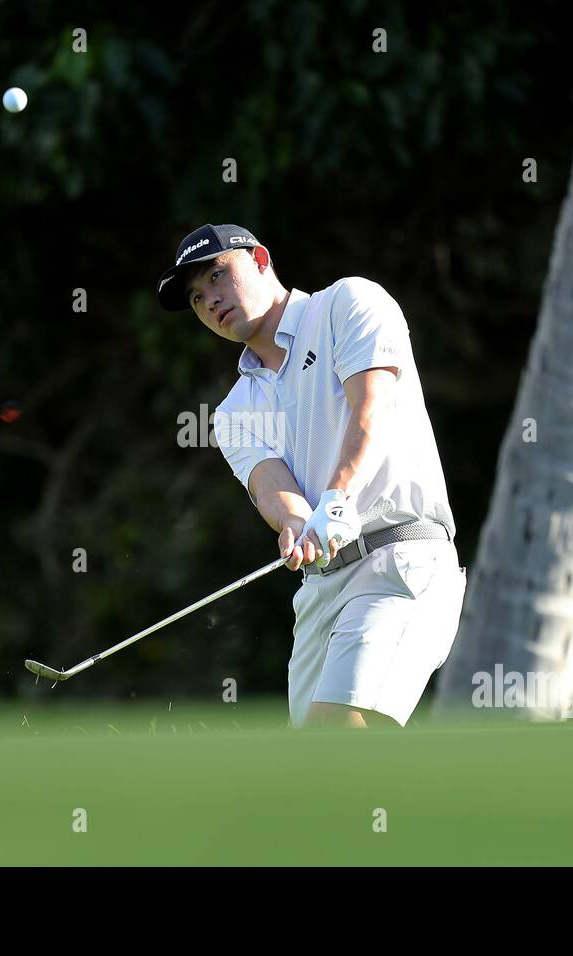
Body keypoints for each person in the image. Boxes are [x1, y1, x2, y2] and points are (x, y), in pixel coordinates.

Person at [157, 223, 466, 729]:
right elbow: (270, 486)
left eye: (216, 276)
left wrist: (339, 499)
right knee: (320, 781)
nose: (209, 300)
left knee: (336, 730)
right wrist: (298, 524)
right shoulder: (235, 411)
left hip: (399, 561)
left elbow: (372, 407)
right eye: (195, 298)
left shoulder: (348, 303)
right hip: (322, 591)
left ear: (260, 258)